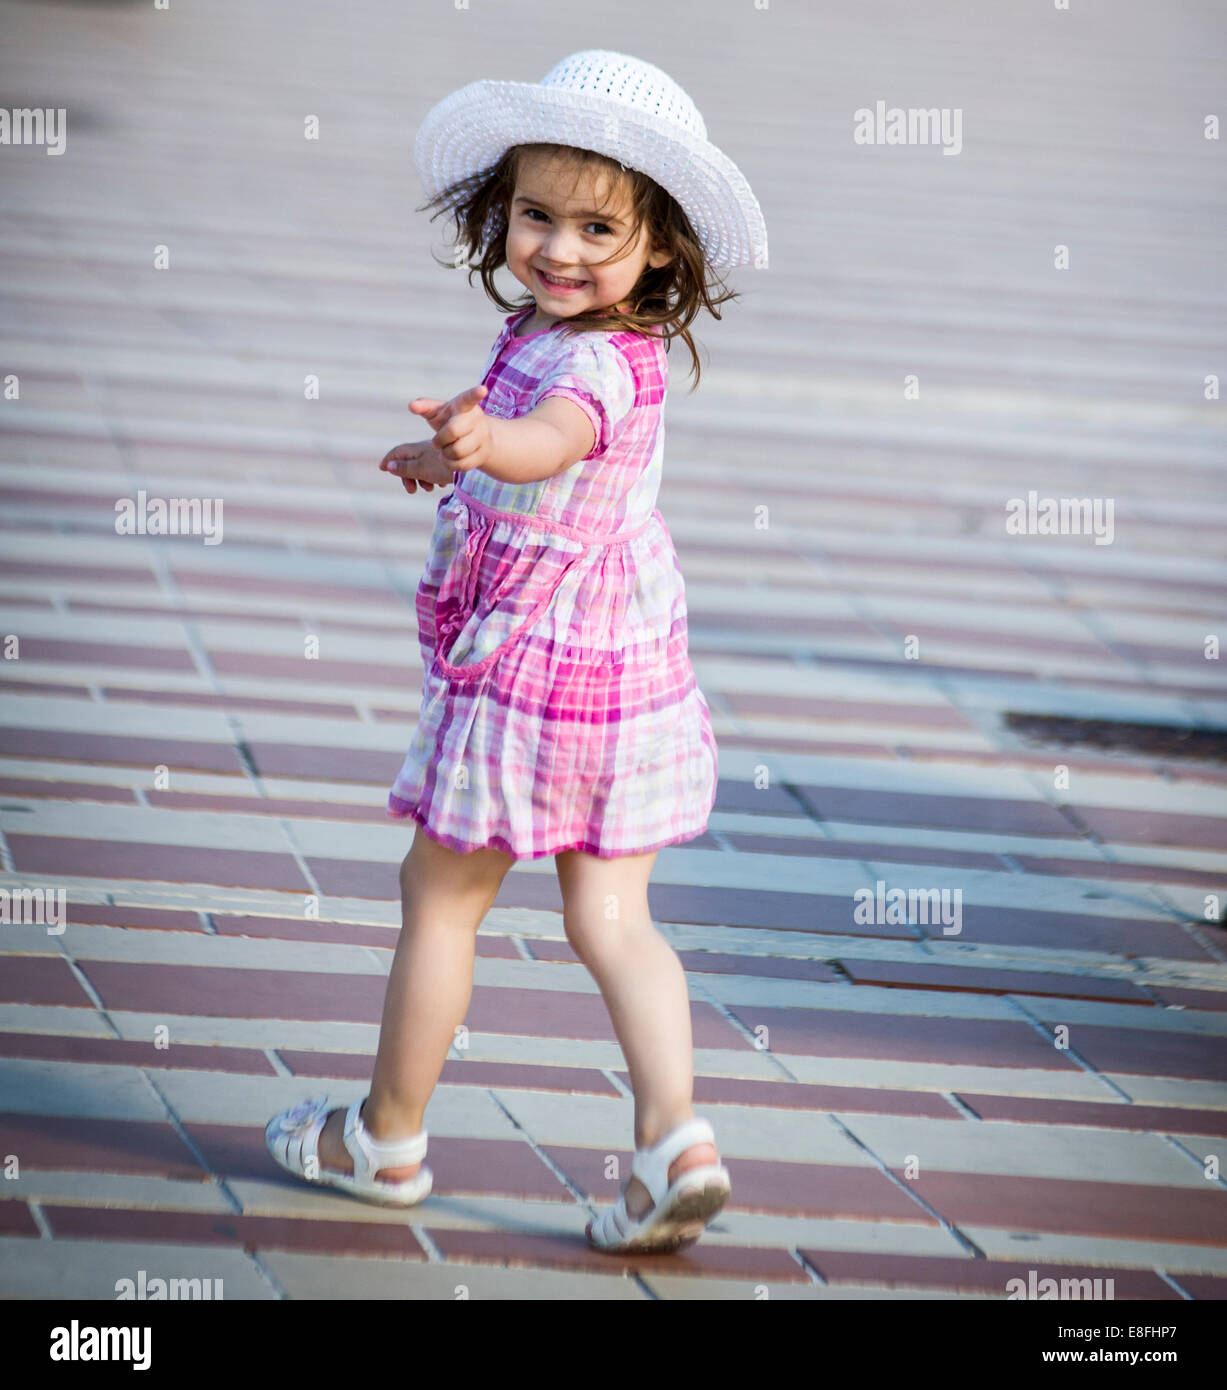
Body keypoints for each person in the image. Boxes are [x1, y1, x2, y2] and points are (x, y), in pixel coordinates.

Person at [267, 49, 768, 1254]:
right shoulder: (573, 337)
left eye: (601, 226)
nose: (561, 247)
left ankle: (385, 1136)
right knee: (613, 916)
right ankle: (673, 1140)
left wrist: (494, 444)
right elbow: (523, 445)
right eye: (538, 215)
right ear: (501, 213)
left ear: (659, 252)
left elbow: (553, 439)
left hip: (534, 678)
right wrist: (455, 452)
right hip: (625, 675)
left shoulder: (591, 361)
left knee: (438, 898)